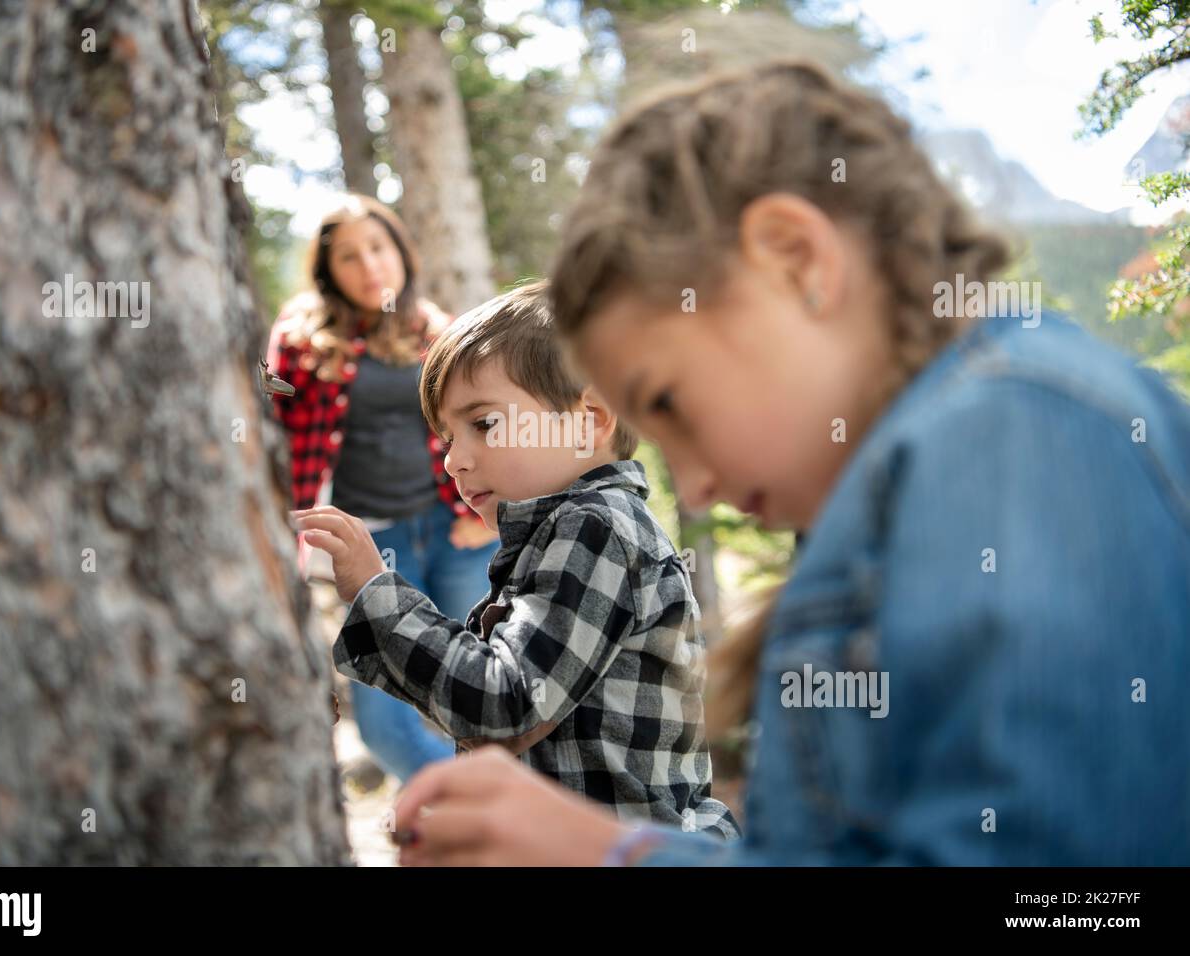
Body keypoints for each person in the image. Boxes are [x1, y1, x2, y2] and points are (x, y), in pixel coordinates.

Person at [379, 60, 1190, 866]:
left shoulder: (1020, 433)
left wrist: (614, 855)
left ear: (795, 260)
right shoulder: (924, 473)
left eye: (671, 402)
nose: (693, 484)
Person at [294, 282, 740, 839]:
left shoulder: (597, 529)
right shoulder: (560, 535)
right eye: (446, 438)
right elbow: (484, 706)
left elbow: (505, 707)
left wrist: (376, 593)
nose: (454, 460)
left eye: (482, 424)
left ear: (590, 419)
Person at [267, 193, 499, 784]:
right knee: (381, 717)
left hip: (456, 534)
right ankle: (461, 812)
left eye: (378, 248)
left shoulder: (440, 332)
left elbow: (483, 428)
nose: (369, 266)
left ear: (401, 252)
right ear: (327, 272)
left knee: (479, 696)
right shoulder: (301, 340)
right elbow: (272, 439)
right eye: (349, 257)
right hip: (373, 544)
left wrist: (489, 510)